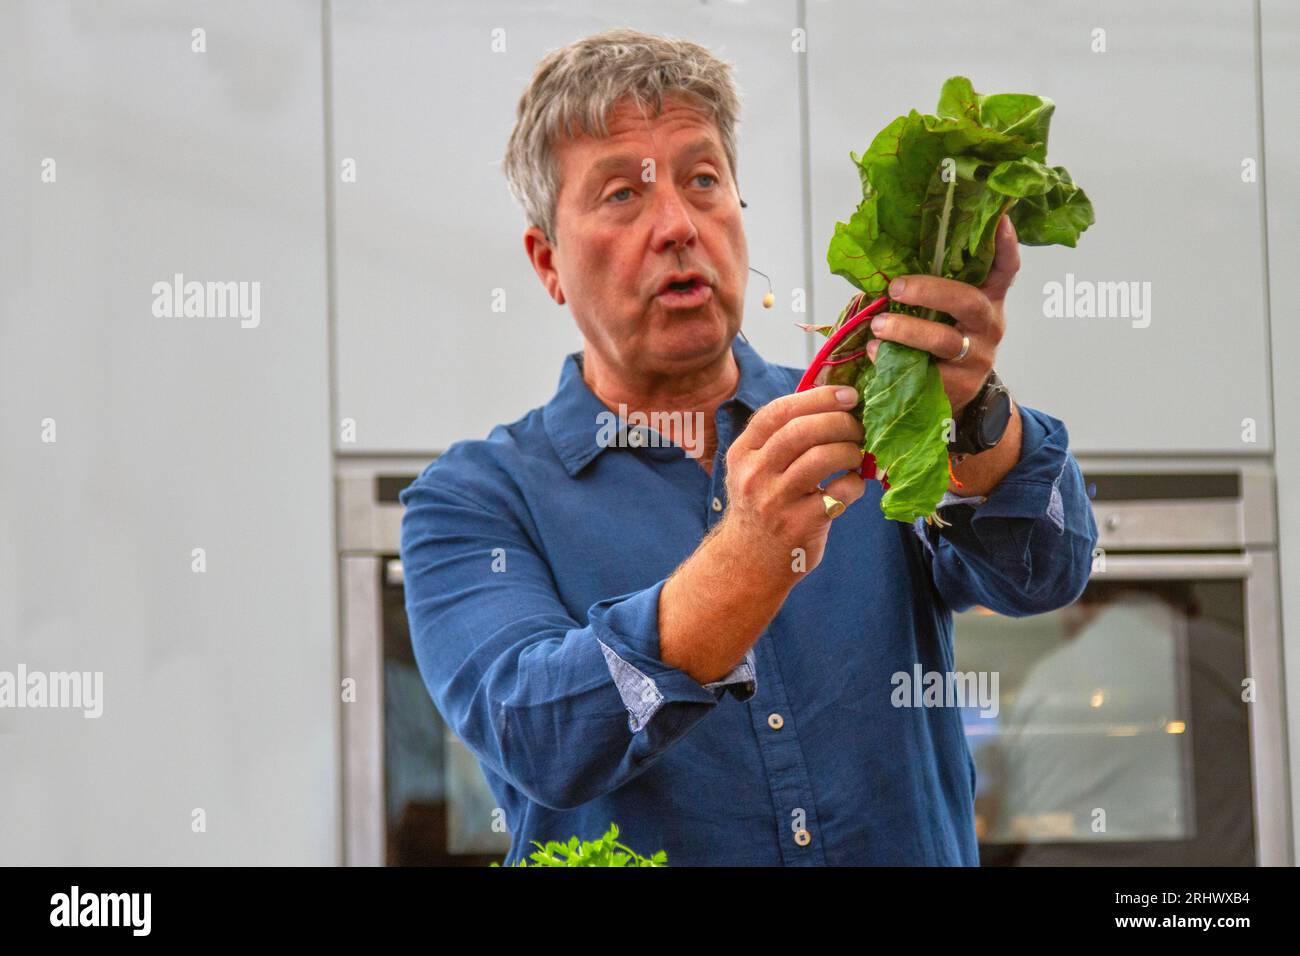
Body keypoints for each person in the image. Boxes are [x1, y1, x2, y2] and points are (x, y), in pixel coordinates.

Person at [399, 28, 1098, 865]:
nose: (677, 225)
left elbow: (1044, 569)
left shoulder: (869, 414)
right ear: (547, 261)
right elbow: (542, 733)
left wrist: (969, 412)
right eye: (622, 194)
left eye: (703, 180)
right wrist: (750, 555)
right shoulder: (471, 502)